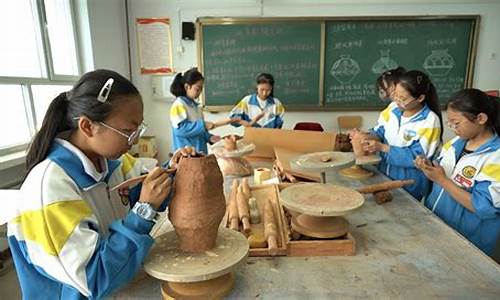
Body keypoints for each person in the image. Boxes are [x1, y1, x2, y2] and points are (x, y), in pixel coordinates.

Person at [6, 69, 187, 299]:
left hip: (122, 286)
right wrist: (144, 211)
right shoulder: (50, 189)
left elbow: (148, 193)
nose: (136, 140)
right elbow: (95, 278)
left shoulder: (117, 162)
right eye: (128, 131)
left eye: (138, 129)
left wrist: (174, 169)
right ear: (87, 126)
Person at [415, 89, 500, 256]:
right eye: (449, 123)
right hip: (439, 225)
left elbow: (483, 207)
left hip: (469, 240)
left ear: (481, 119)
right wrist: (427, 166)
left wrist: (442, 180)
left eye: (456, 123)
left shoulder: (496, 157)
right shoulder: (456, 142)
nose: (452, 128)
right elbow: (441, 169)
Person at [361, 70, 443, 200]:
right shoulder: (393, 108)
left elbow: (418, 158)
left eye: (403, 98)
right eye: (395, 95)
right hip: (385, 173)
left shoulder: (430, 121)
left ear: (420, 98)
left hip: (410, 182)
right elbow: (380, 131)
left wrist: (383, 148)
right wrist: (366, 137)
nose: (397, 101)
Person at [169, 68, 234, 154]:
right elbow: (180, 130)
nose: (199, 92)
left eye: (201, 89)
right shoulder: (179, 105)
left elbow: (198, 131)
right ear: (187, 87)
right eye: (197, 89)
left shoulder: (197, 107)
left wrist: (209, 138)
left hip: (200, 153)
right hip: (186, 156)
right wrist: (203, 125)